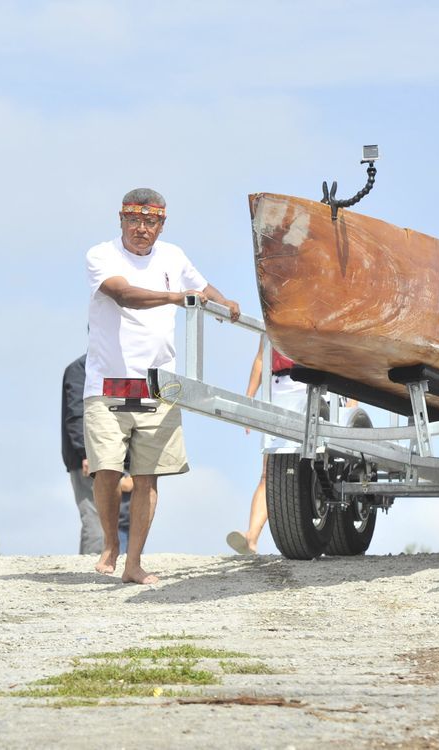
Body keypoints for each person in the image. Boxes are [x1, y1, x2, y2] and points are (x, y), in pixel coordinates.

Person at [84, 187, 240, 584]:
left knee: (148, 475)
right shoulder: (101, 255)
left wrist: (224, 303)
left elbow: (202, 288)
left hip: (158, 383)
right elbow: (123, 295)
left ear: (161, 224)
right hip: (110, 382)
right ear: (120, 219)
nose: (141, 228)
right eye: (134, 220)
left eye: (150, 221)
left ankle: (133, 562)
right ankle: (110, 543)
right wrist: (176, 297)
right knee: (106, 469)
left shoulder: (174, 255)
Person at [226, 339, 306, 555]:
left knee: (309, 465)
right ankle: (251, 537)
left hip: (311, 385)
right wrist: (249, 400)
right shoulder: (273, 311)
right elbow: (261, 358)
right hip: (278, 390)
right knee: (268, 473)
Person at [62, 353, 131, 554]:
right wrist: (85, 453)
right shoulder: (80, 369)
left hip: (112, 456)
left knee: (112, 518)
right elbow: (76, 413)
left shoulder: (113, 367)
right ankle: (89, 569)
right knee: (95, 519)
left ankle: (94, 566)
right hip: (89, 457)